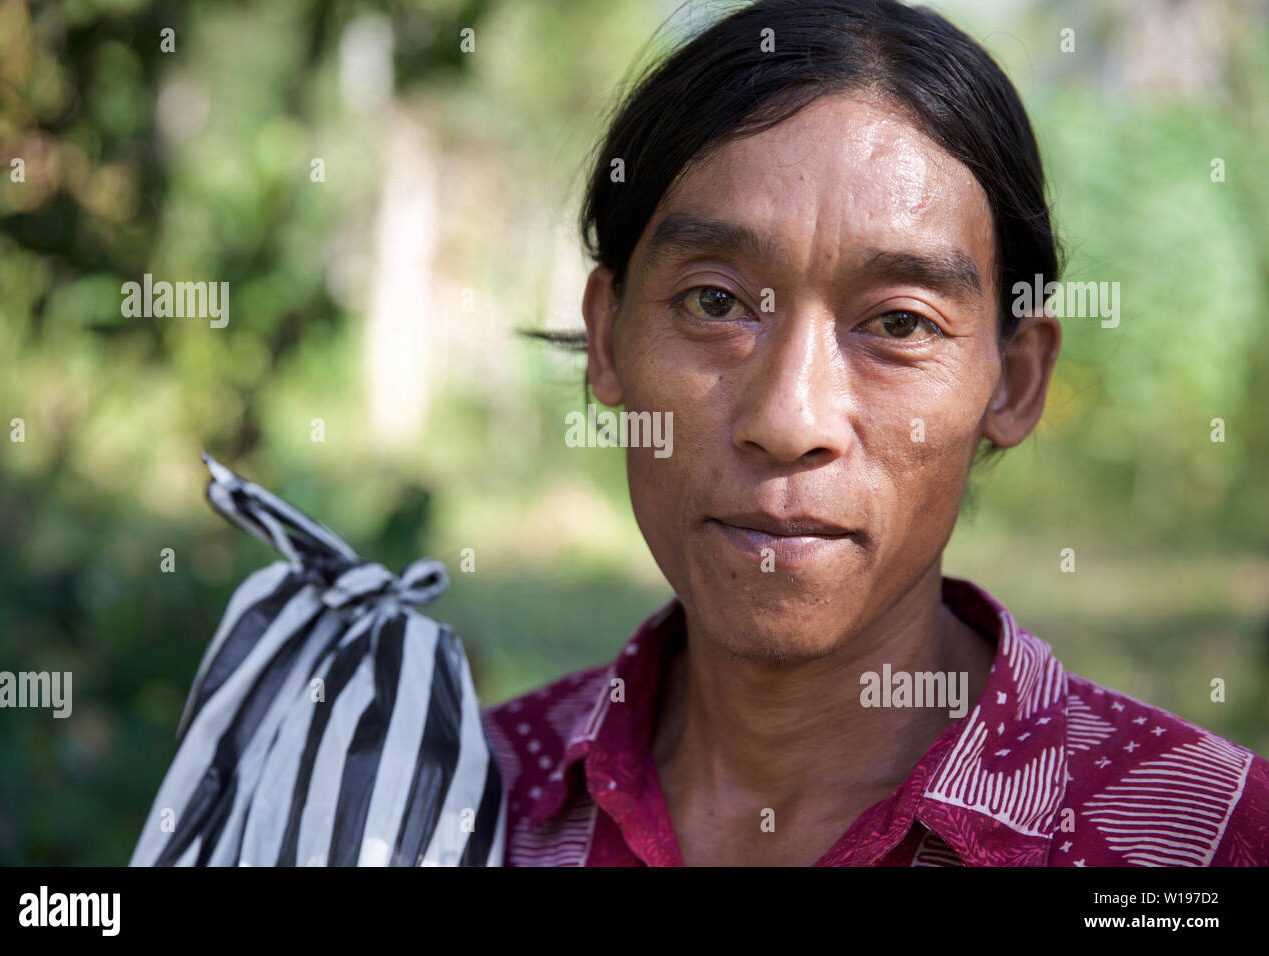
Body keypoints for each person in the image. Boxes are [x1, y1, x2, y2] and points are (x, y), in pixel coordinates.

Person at [481, 0, 1269, 866]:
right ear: (607, 338)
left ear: (1015, 380)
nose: (790, 420)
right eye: (716, 302)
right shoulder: (458, 801)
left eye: (899, 323)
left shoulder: (1204, 841)